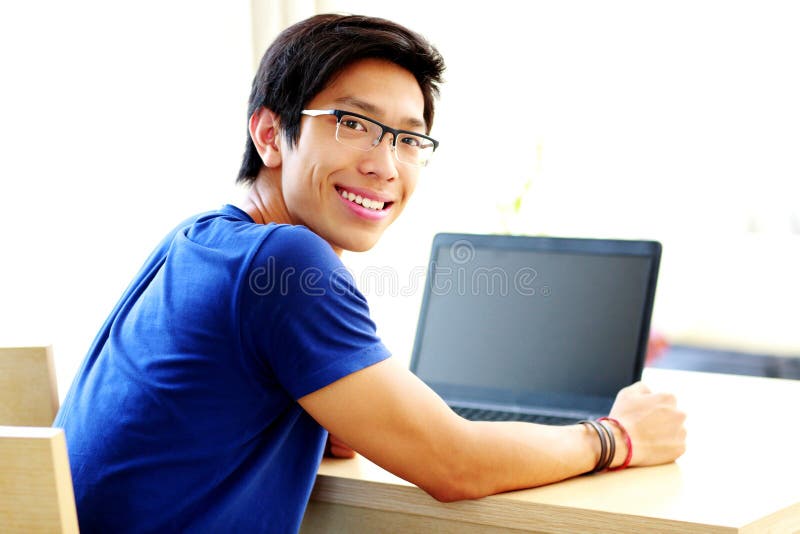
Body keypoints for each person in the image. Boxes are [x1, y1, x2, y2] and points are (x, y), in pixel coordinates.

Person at [54, 13, 686, 533]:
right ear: (271, 134)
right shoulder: (285, 260)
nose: (386, 165)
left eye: (409, 139)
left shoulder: (199, 239)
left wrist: (323, 411)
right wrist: (618, 436)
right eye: (353, 124)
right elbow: (453, 464)